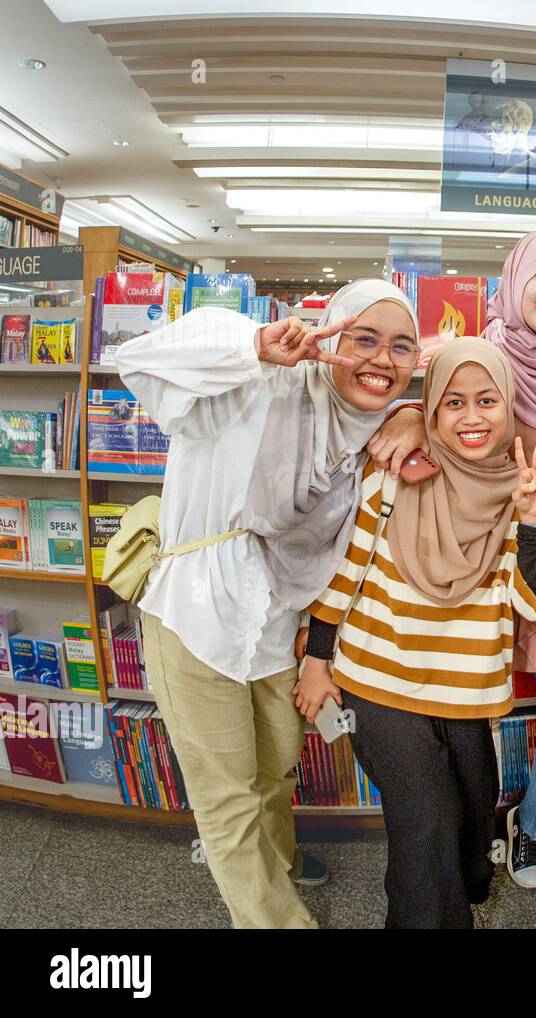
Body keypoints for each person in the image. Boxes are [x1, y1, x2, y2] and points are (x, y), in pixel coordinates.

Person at [116, 280, 419, 928]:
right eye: (363, 338)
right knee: (227, 798)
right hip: (195, 618)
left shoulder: (369, 435)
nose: (380, 359)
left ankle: (275, 858)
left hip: (278, 627)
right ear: (330, 333)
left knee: (277, 766)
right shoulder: (255, 386)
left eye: (401, 346)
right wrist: (253, 345)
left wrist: (413, 414)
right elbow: (138, 359)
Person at [369, 228, 536, 888]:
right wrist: (406, 416)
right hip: (489, 566)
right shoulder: (469, 352)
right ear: (515, 278)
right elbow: (403, 391)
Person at [295, 340, 536, 928]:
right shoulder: (394, 480)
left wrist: (530, 524)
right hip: (378, 684)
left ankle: (460, 878)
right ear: (432, 413)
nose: (471, 418)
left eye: (486, 401)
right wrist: (317, 662)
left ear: (509, 405)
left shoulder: (516, 492)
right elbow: (343, 578)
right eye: (452, 404)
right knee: (425, 819)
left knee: (472, 813)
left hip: (464, 697)